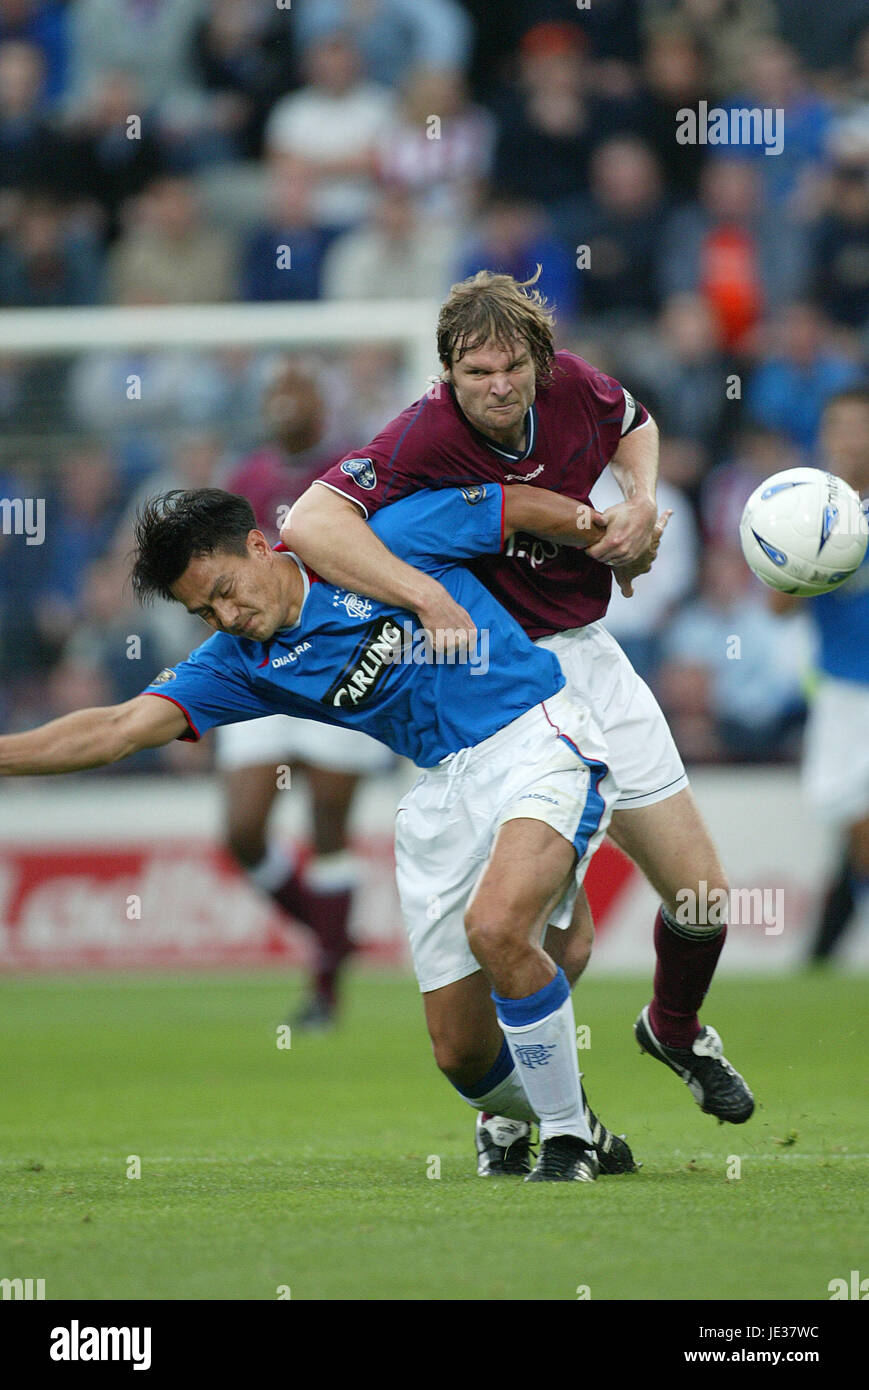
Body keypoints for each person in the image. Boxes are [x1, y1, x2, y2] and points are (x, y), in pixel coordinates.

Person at [0, 481, 648, 1184]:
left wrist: (608, 528)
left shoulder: (365, 539)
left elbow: (506, 506)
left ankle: (565, 1144)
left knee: (497, 929)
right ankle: (544, 1114)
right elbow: (118, 728)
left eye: (225, 589)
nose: (227, 615)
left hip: (533, 734)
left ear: (257, 544)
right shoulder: (238, 662)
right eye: (203, 610)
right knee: (462, 1052)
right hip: (441, 789)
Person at [284, 269, 756, 1164]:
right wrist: (422, 596)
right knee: (540, 940)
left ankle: (674, 1028)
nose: (495, 388)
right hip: (506, 692)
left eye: (509, 369)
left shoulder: (575, 386)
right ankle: (514, 1114)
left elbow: (636, 425)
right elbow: (309, 522)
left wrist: (641, 502)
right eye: (474, 373)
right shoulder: (421, 435)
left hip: (594, 660)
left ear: (539, 363)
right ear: (446, 377)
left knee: (699, 900)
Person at [217, 362, 393, 1028]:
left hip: (337, 664)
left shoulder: (353, 471)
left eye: (301, 392)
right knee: (241, 829)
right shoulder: (246, 481)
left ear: (324, 405)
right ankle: (332, 939)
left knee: (326, 824)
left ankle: (324, 990)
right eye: (276, 394)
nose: (286, 405)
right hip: (259, 667)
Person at [768, 387, 869, 961]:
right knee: (851, 819)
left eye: (860, 427)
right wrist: (814, 547)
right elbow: (778, 609)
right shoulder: (810, 508)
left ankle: (825, 949)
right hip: (844, 690)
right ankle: (828, 947)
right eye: (839, 428)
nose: (850, 439)